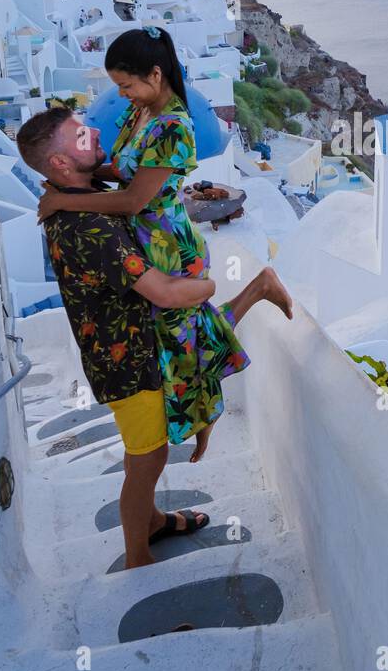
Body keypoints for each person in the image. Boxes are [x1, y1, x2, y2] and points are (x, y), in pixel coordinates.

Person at [17, 107, 291, 569]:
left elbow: (132, 185)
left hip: (138, 344)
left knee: (196, 358)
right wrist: (206, 286)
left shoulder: (84, 196)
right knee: (147, 458)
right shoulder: (89, 227)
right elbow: (163, 293)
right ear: (60, 164)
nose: (95, 132)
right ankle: (138, 558)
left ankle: (157, 519)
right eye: (80, 135)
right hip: (126, 363)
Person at [36, 26, 292, 459]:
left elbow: (137, 198)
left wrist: (64, 198)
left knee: (183, 343)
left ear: (154, 75)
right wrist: (85, 179)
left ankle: (204, 414)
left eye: (127, 84)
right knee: (184, 342)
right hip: (140, 235)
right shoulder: (140, 112)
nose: (123, 93)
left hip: (168, 244)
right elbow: (128, 171)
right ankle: (203, 416)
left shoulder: (174, 126)